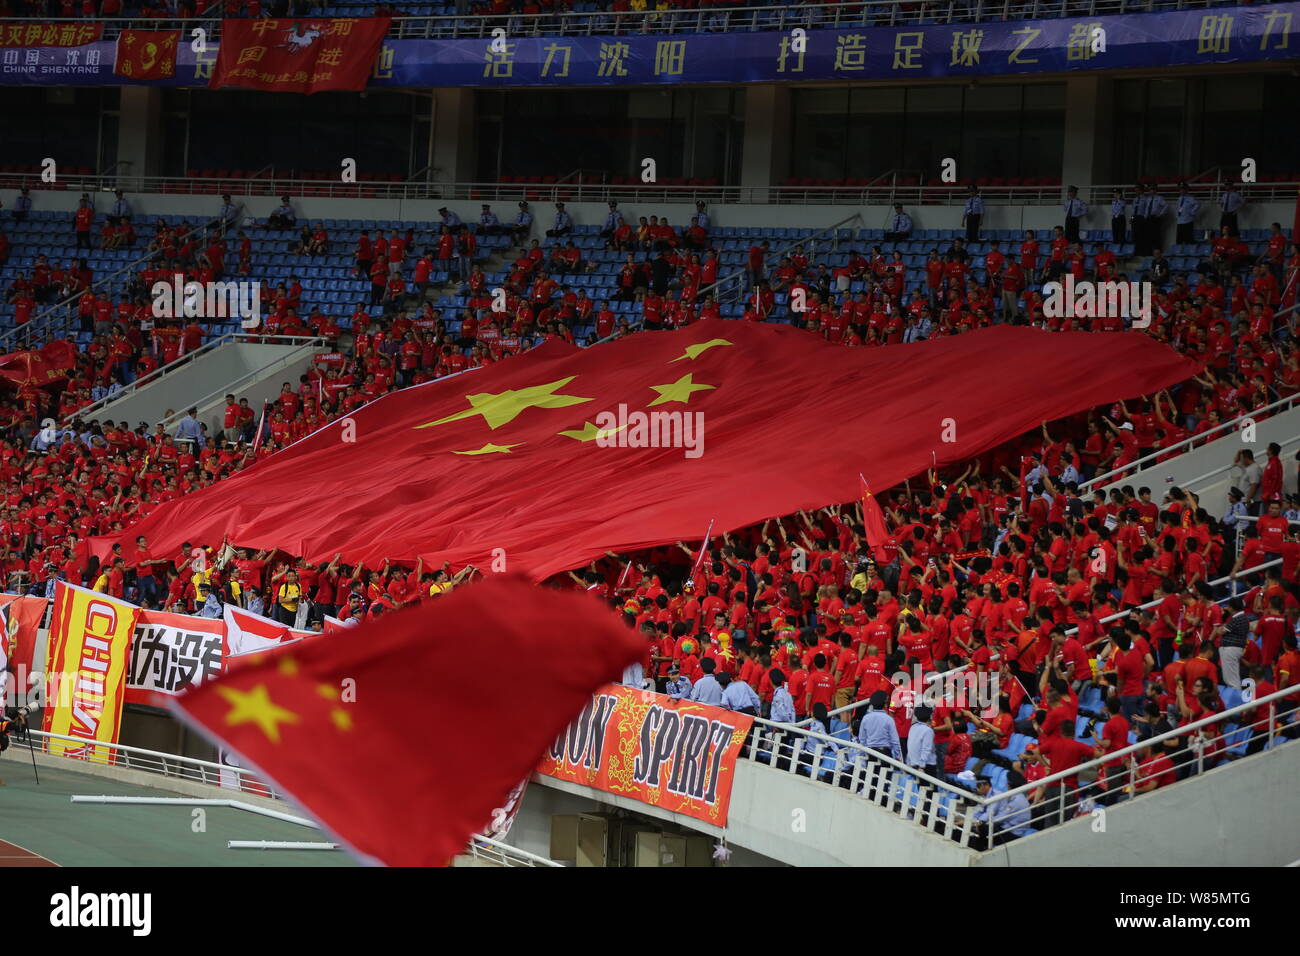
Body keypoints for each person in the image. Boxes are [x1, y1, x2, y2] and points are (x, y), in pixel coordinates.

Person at [907, 704, 937, 776]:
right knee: (930, 787)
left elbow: (910, 746)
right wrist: (922, 766)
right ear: (930, 716)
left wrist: (909, 762)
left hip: (914, 763)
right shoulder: (928, 730)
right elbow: (926, 749)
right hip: (925, 766)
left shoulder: (913, 727)